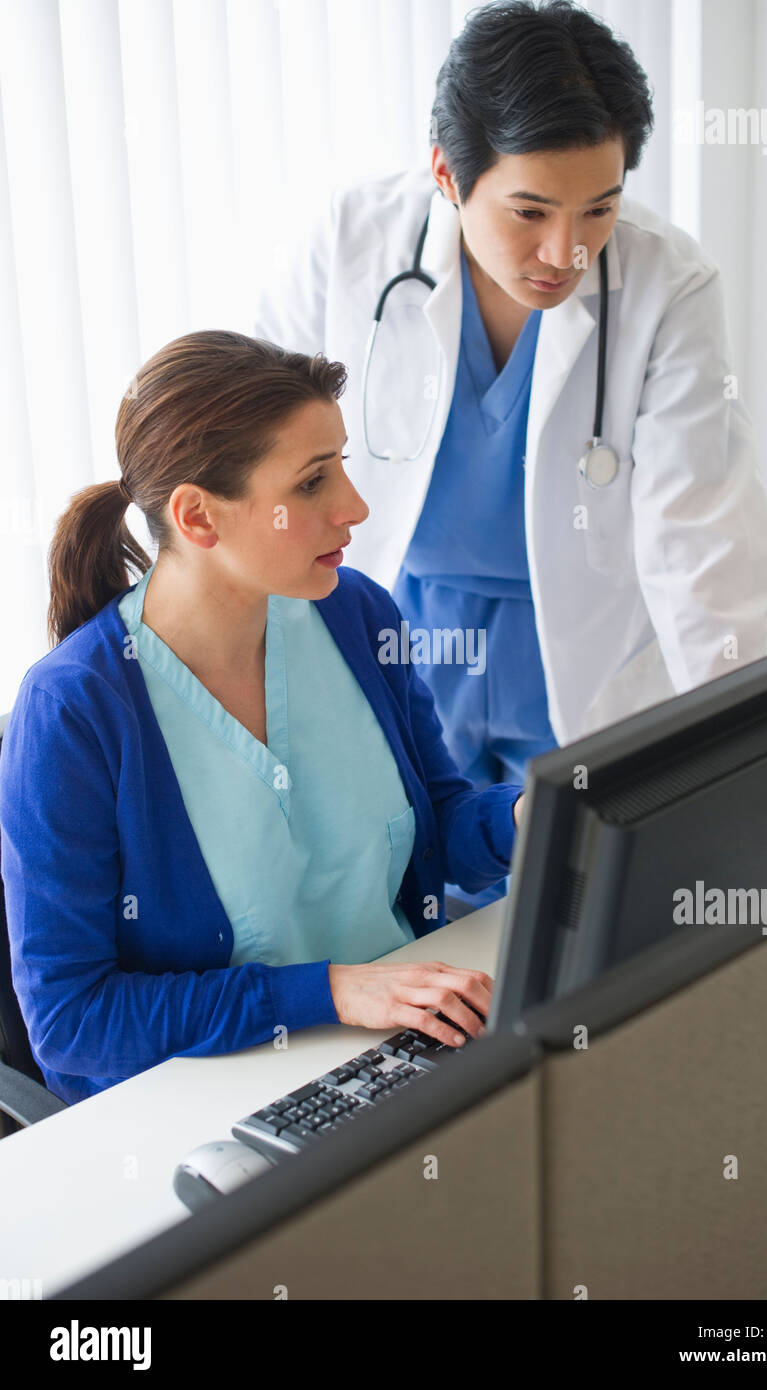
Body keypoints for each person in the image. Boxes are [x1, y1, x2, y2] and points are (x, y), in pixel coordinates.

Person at [254, 0, 767, 913]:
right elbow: (249, 449)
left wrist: (731, 757)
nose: (564, 251)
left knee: (572, 920)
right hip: (403, 636)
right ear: (448, 176)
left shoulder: (668, 285)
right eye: (530, 211)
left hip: (579, 650)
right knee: (407, 912)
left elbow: (701, 537)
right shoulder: (353, 244)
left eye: (600, 209)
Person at [0, 331, 524, 1107]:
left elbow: (435, 826)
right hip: (205, 1110)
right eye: (312, 483)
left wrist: (525, 814)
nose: (355, 506)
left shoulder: (355, 614)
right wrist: (332, 993)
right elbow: (75, 1021)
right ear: (199, 518)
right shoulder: (75, 712)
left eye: (341, 464)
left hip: (405, 1050)